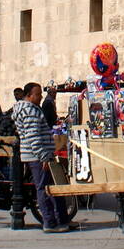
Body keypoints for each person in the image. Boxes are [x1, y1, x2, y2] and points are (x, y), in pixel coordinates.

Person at [11, 82, 75, 233]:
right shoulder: (30, 111)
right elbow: (34, 137)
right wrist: (44, 156)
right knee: (44, 189)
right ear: (29, 95)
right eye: (38, 94)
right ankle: (49, 222)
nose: (40, 97)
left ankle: (61, 219)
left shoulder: (30, 109)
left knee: (53, 188)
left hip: (40, 155)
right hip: (38, 157)